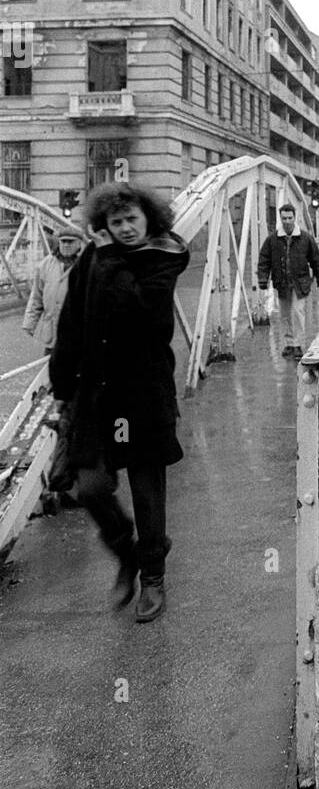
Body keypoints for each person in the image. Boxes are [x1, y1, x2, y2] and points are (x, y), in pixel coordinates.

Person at [48, 182, 189, 623]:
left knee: (147, 491)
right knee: (89, 487)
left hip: (143, 394)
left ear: (148, 219)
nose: (126, 229)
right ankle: (125, 550)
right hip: (97, 394)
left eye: (132, 219)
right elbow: (72, 323)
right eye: (116, 222)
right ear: (103, 225)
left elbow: (149, 319)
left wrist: (110, 260)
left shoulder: (163, 258)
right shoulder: (92, 258)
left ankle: (153, 577)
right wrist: (62, 390)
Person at [257, 202, 319, 359]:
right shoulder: (272, 240)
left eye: (289, 218)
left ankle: (298, 344)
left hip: (300, 282)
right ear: (280, 219)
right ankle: (288, 344)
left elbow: (315, 258)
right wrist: (263, 278)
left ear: (295, 218)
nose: (287, 221)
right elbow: (264, 260)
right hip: (281, 283)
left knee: (297, 311)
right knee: (285, 314)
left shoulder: (305, 238)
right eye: (284, 218)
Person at [22, 231, 84, 353]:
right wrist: (29, 324)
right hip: (52, 334)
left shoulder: (85, 265)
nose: (66, 245)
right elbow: (36, 297)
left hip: (78, 334)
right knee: (50, 368)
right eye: (63, 241)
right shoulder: (46, 264)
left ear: (79, 244)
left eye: (70, 241)